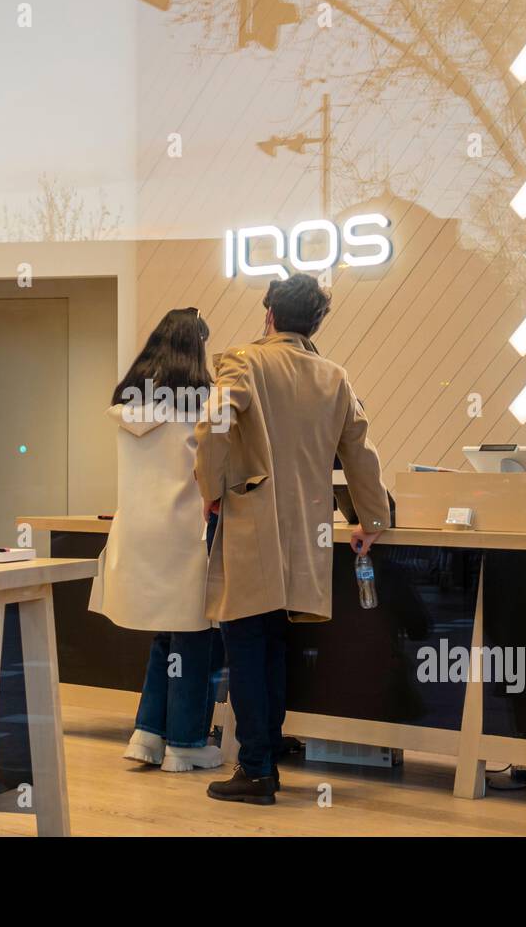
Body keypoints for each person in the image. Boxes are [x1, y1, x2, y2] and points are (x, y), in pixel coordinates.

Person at [196, 273, 389, 804]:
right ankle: (266, 758)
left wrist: (210, 488)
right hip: (310, 528)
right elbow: (361, 453)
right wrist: (371, 519)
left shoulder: (242, 359)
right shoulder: (334, 376)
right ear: (317, 322)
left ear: (269, 315)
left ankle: (256, 770)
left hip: (250, 521)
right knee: (275, 643)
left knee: (246, 644)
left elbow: (214, 422)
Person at [89, 308, 225, 772]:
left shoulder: (128, 404)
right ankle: (185, 742)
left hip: (136, 532)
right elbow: (216, 474)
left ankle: (148, 733)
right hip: (186, 533)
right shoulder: (205, 405)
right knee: (197, 639)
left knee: (165, 634)